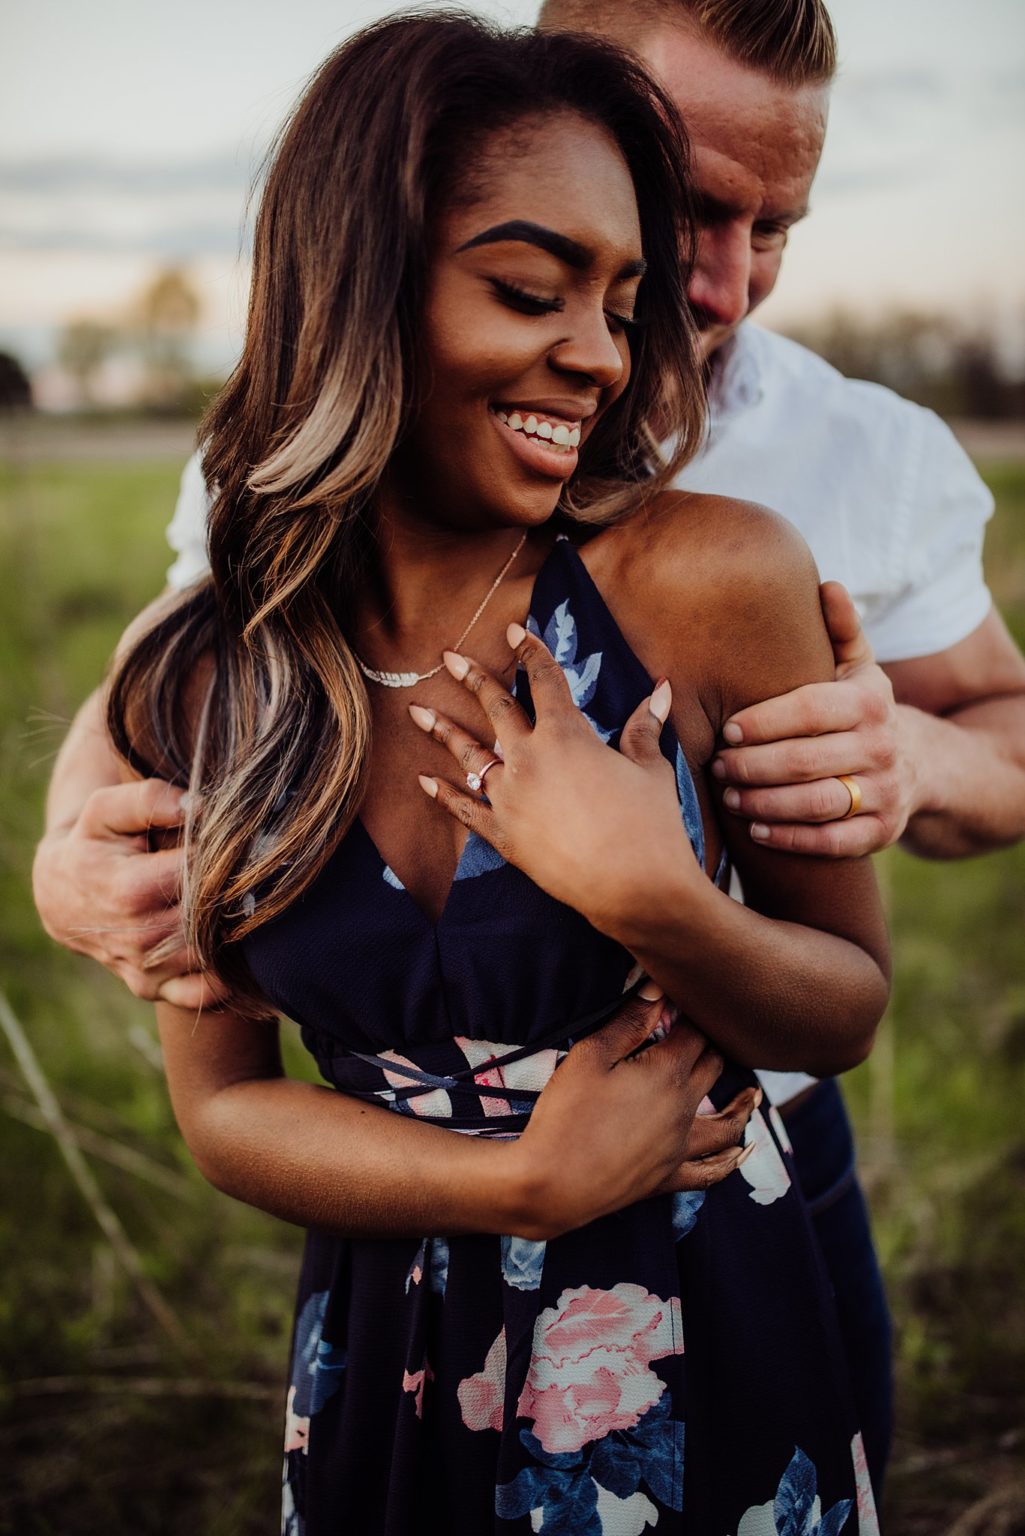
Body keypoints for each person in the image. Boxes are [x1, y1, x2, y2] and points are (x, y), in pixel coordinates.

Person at [33, 0, 1025, 1500]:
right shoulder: (224, 643)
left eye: (773, 230)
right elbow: (217, 1091)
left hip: (707, 1285)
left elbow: (852, 985)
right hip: (387, 1336)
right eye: (692, 208)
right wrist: (69, 854)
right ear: (357, 285)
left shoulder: (770, 529)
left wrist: (797, 817)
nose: (673, 316)